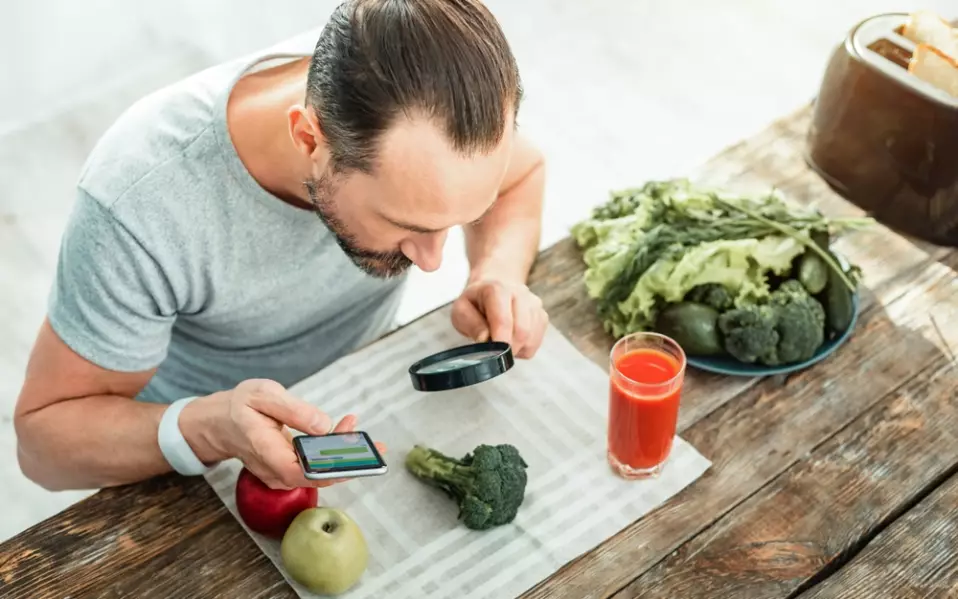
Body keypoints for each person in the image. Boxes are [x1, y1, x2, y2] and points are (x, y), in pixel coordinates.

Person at [14, 0, 547, 492]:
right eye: (404, 223)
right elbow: (42, 444)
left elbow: (521, 175)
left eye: (458, 219)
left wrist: (496, 270)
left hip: (359, 401)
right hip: (181, 458)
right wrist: (208, 429)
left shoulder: (427, 101)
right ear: (309, 139)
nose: (432, 262)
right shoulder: (143, 199)